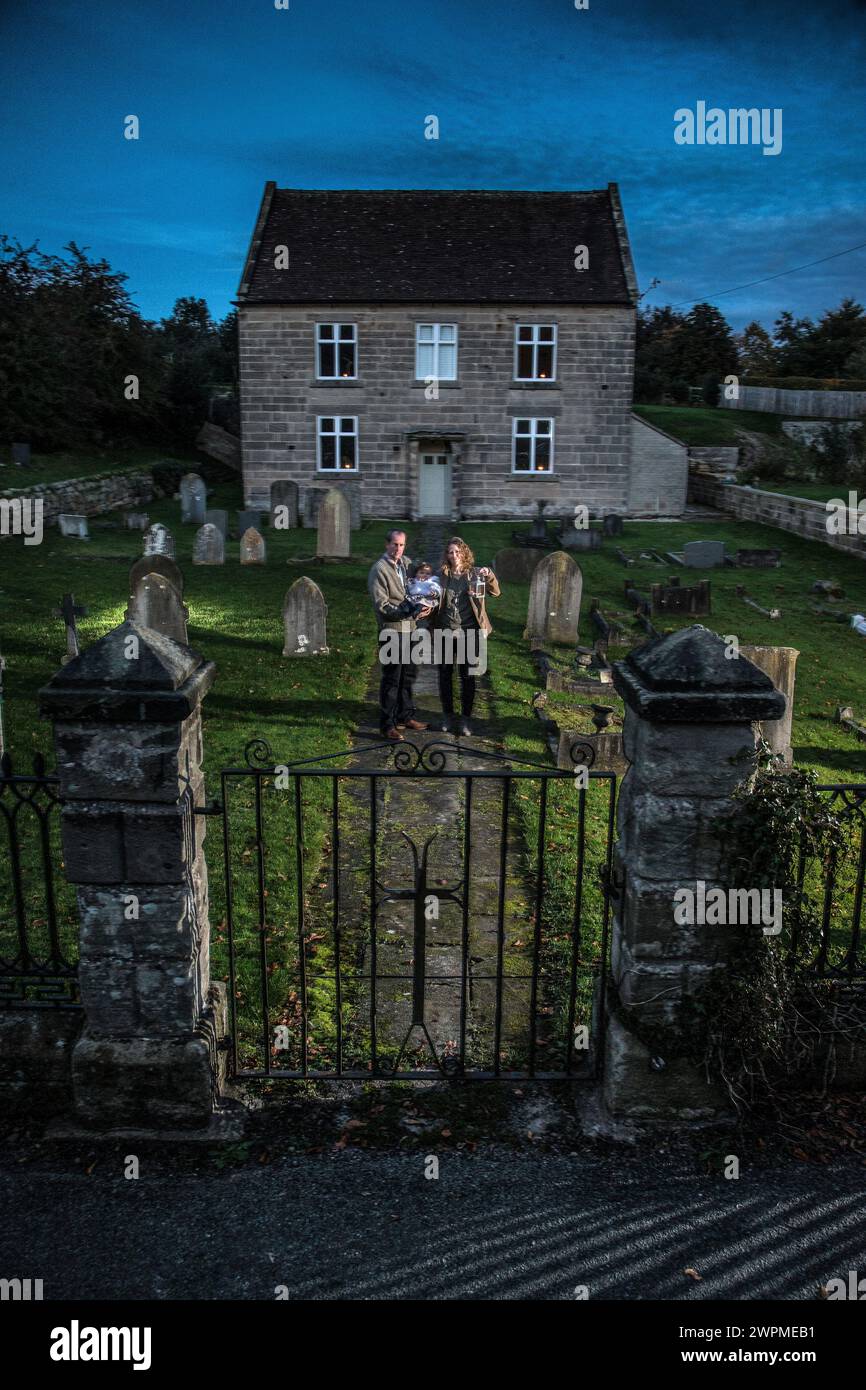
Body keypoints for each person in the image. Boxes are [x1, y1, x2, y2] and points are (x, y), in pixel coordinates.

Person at [367, 529, 434, 741]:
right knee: (391, 679)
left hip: (411, 629)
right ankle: (387, 725)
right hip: (392, 631)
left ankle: (405, 716)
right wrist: (406, 611)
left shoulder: (406, 564)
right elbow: (381, 605)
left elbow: (420, 583)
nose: (398, 549)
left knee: (408, 676)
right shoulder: (379, 569)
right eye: (395, 545)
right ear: (387, 545)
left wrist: (425, 604)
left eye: (402, 545)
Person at [433, 536, 501, 737]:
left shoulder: (474, 574)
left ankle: (466, 719)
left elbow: (495, 592)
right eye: (450, 552)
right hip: (445, 630)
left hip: (469, 632)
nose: (453, 555)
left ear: (464, 553)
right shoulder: (442, 575)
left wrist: (489, 575)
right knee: (445, 675)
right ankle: (447, 715)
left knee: (467, 676)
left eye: (457, 551)